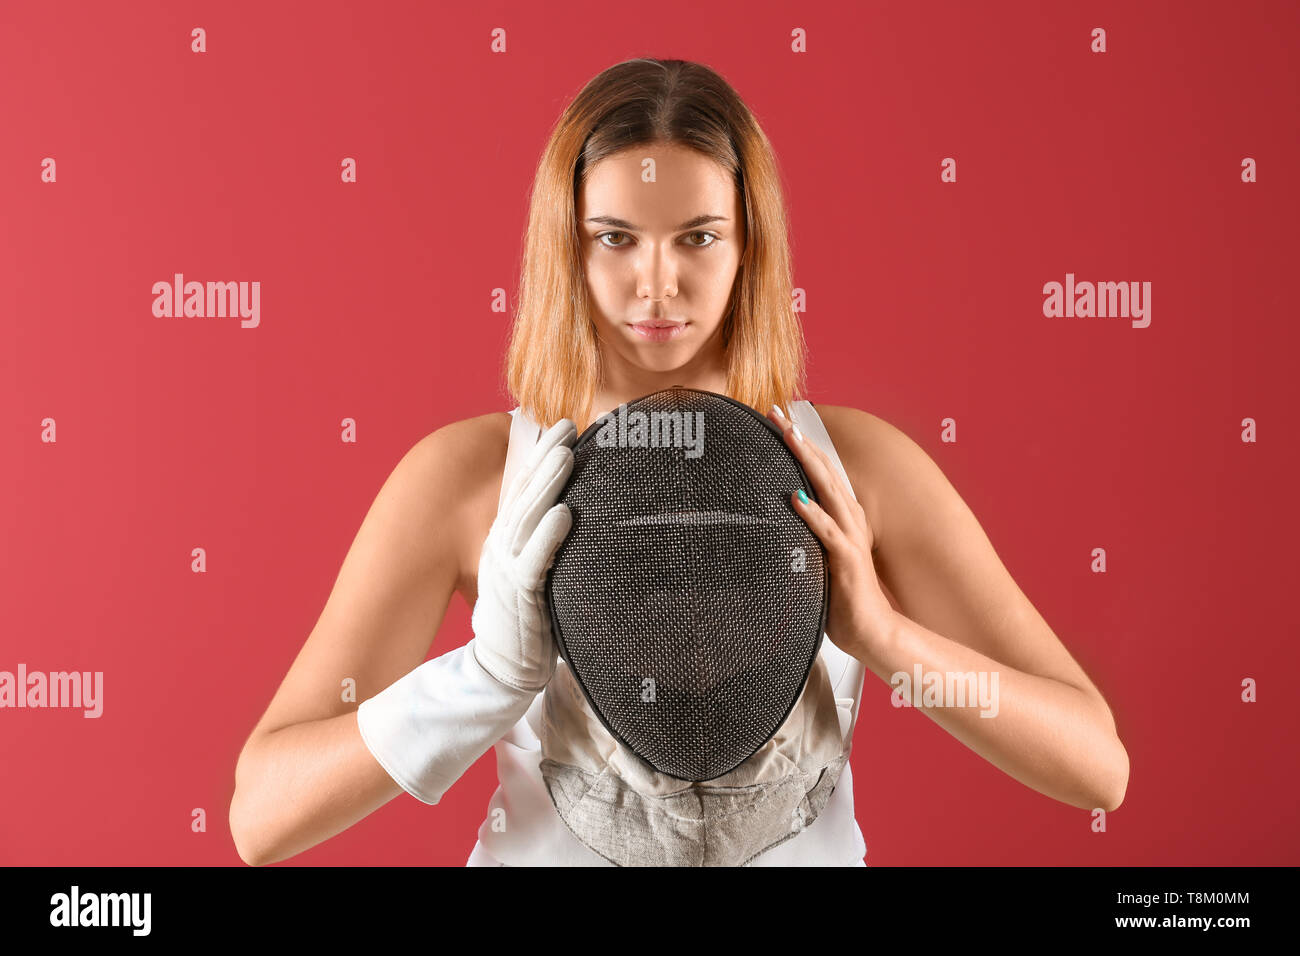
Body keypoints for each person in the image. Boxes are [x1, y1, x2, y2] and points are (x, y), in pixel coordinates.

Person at [229, 58, 1129, 868]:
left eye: (697, 237)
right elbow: (262, 817)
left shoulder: (853, 470)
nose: (657, 283)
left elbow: (1096, 766)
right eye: (615, 237)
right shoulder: (467, 482)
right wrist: (487, 676)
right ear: (565, 246)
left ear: (749, 247)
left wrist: (886, 638)